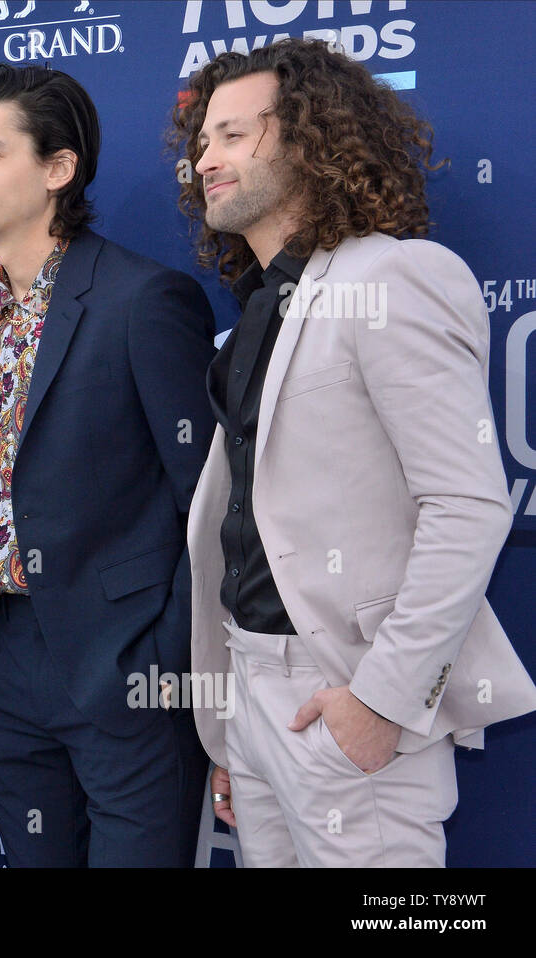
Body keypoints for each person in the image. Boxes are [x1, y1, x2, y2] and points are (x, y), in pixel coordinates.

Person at [172, 37, 536, 866]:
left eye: (235, 135)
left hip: (342, 691)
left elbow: (470, 505)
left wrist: (383, 699)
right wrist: (234, 728)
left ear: (309, 140)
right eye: (202, 143)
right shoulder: (259, 310)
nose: (207, 160)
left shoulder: (393, 279)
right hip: (252, 695)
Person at [0, 63, 216, 866]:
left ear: (58, 169)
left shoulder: (145, 301)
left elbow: (207, 501)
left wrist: (162, 660)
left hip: (125, 665)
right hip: (4, 660)